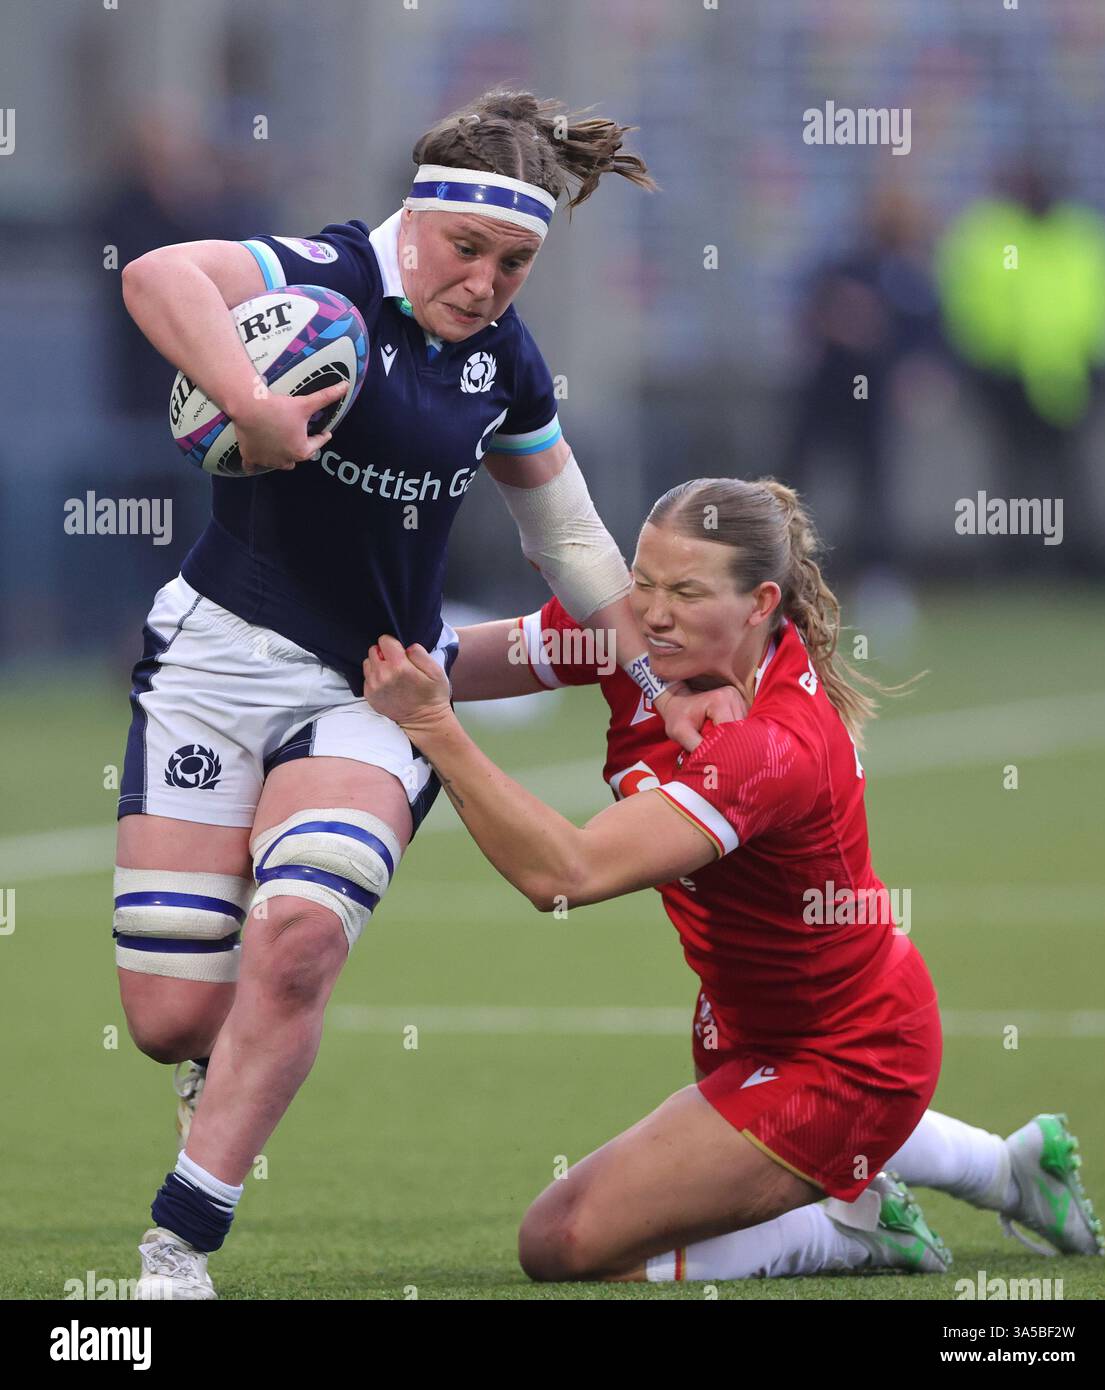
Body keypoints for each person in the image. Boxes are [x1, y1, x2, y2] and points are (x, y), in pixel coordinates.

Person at [115, 88, 738, 1301]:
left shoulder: (503, 359)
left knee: (298, 940)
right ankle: (225, 1057)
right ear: (419, 219)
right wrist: (249, 400)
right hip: (208, 660)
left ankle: (175, 1252)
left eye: (517, 262)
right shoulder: (326, 275)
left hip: (375, 687)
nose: (491, 281)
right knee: (171, 1017)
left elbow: (569, 540)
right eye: (471, 250)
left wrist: (663, 684)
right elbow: (154, 277)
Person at [364, 476, 1105, 1282]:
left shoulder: (772, 745)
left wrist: (432, 725)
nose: (650, 611)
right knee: (698, 1152)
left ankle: (850, 1236)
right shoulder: (645, 639)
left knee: (564, 1242)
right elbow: (449, 660)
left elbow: (562, 875)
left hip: (849, 1052)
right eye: (642, 581)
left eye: (684, 591)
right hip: (743, 1019)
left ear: (757, 604)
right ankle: (1009, 1168)